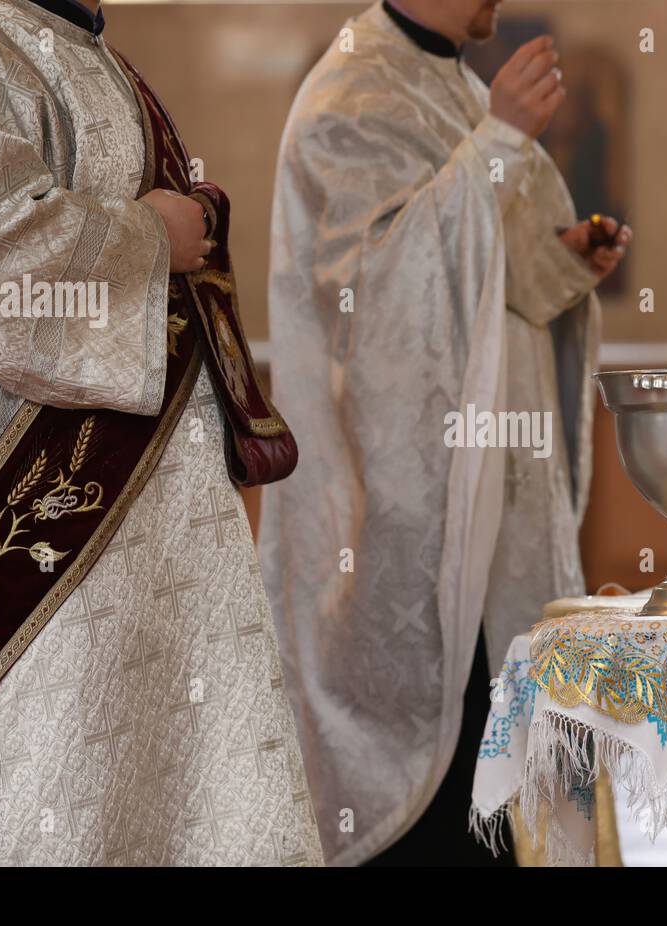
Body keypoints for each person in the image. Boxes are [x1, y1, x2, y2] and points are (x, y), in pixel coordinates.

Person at [0, 0, 323, 866]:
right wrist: (152, 236)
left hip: (136, 555)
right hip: (36, 561)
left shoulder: (83, 53)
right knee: (39, 804)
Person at [260, 0, 631, 865]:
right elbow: (376, 308)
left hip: (491, 539)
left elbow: (491, 283)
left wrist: (565, 258)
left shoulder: (459, 88)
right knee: (429, 821)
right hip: (404, 549)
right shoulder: (345, 98)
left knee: (492, 811)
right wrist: (500, 143)